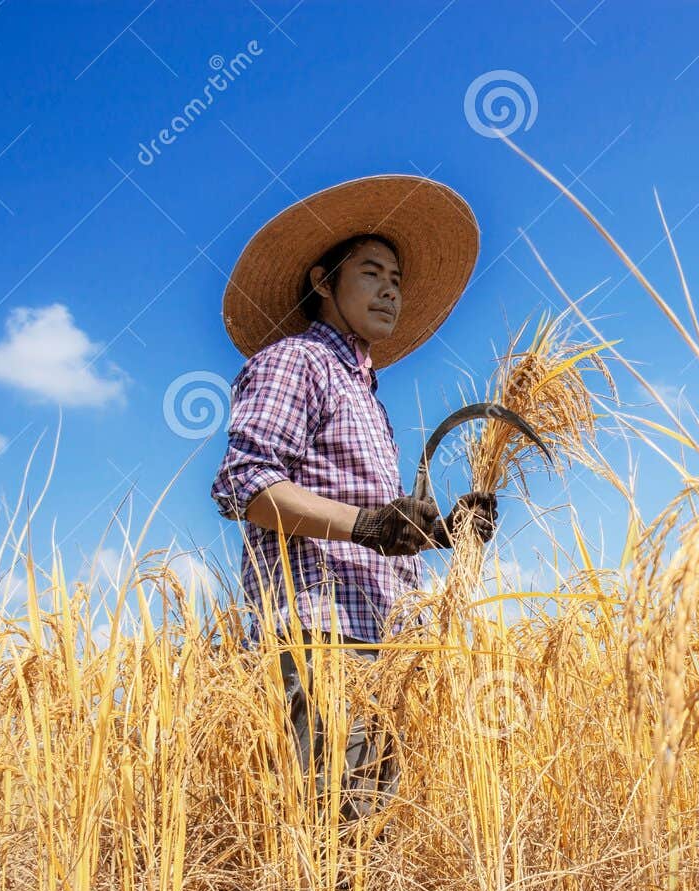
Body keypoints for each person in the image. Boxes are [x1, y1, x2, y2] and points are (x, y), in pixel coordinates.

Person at [210, 174, 496, 823]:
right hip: (325, 642)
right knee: (336, 843)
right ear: (322, 280)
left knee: (374, 849)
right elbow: (244, 483)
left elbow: (373, 525)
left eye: (397, 277)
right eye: (372, 272)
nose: (392, 287)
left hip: (384, 650)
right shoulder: (297, 362)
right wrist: (366, 524)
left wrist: (441, 531)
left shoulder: (366, 395)